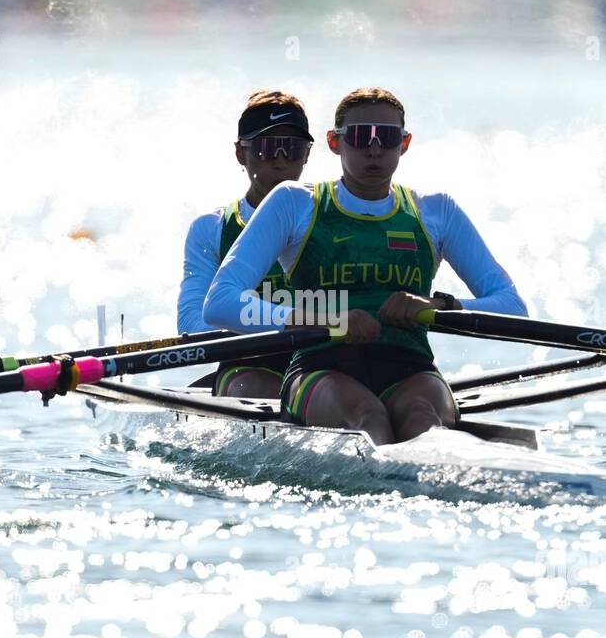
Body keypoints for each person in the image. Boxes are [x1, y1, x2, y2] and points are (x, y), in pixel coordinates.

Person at [202, 86, 527, 445]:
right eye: (359, 136)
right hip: (321, 365)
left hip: (408, 366)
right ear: (334, 142)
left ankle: (435, 463)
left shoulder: (437, 211)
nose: (374, 148)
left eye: (386, 137)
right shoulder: (293, 204)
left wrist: (437, 307)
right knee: (367, 418)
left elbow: (513, 308)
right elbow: (221, 303)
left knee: (423, 421)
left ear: (404, 144)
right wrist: (325, 319)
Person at [177, 89, 313, 397]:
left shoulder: (331, 217)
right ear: (241, 152)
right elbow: (193, 325)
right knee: (252, 384)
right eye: (267, 148)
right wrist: (289, 323)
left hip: (321, 362)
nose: (280, 162)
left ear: (307, 154)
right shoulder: (212, 229)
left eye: (292, 149)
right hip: (249, 366)